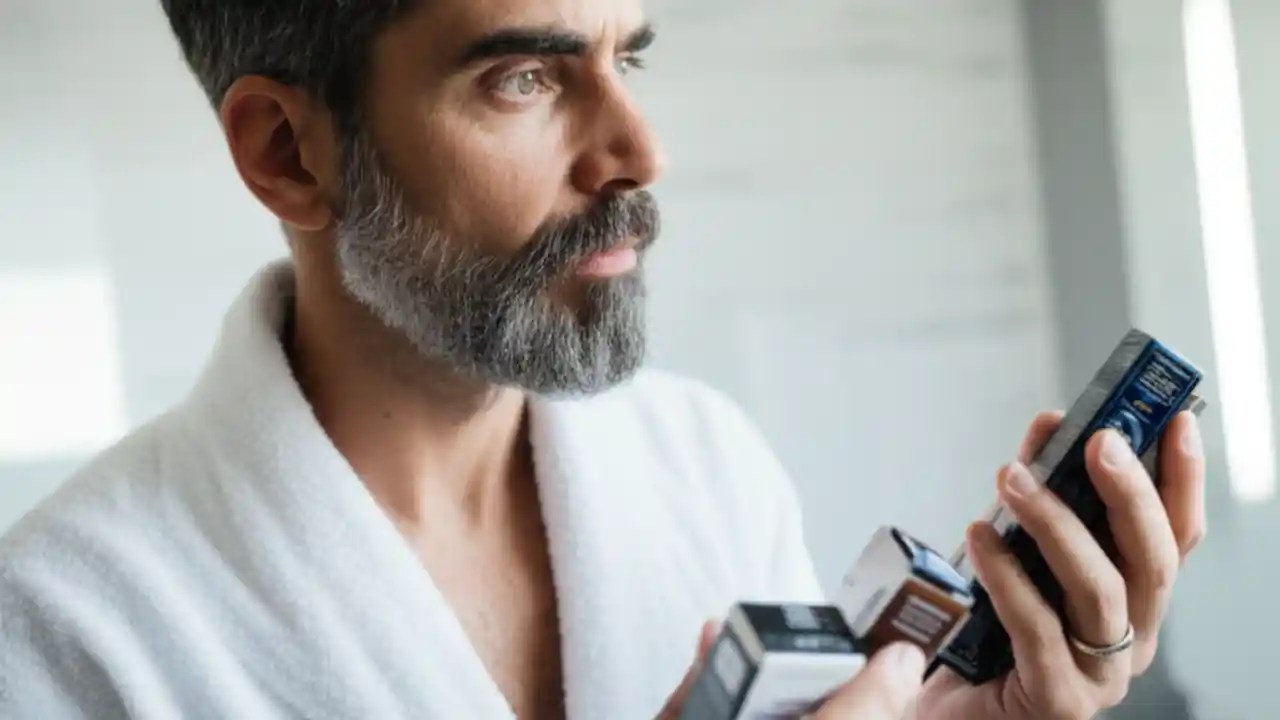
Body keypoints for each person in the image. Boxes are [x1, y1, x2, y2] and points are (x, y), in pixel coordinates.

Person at [0, 0, 1207, 718]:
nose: (638, 150)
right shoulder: (68, 631)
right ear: (287, 154)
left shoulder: (706, 466)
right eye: (523, 77)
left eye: (625, 55)